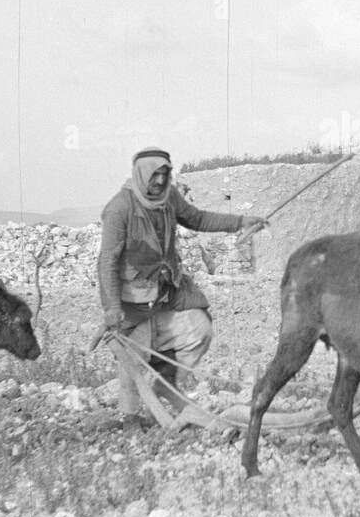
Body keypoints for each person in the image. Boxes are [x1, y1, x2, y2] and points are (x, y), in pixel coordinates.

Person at [99, 148, 267, 420]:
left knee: (199, 329)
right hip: (133, 304)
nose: (161, 181)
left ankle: (167, 384)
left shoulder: (169, 199)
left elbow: (197, 219)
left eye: (166, 175)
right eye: (156, 175)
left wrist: (240, 221)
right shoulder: (119, 209)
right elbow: (107, 261)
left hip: (166, 296)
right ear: (142, 174)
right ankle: (128, 419)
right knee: (133, 363)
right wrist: (111, 307)